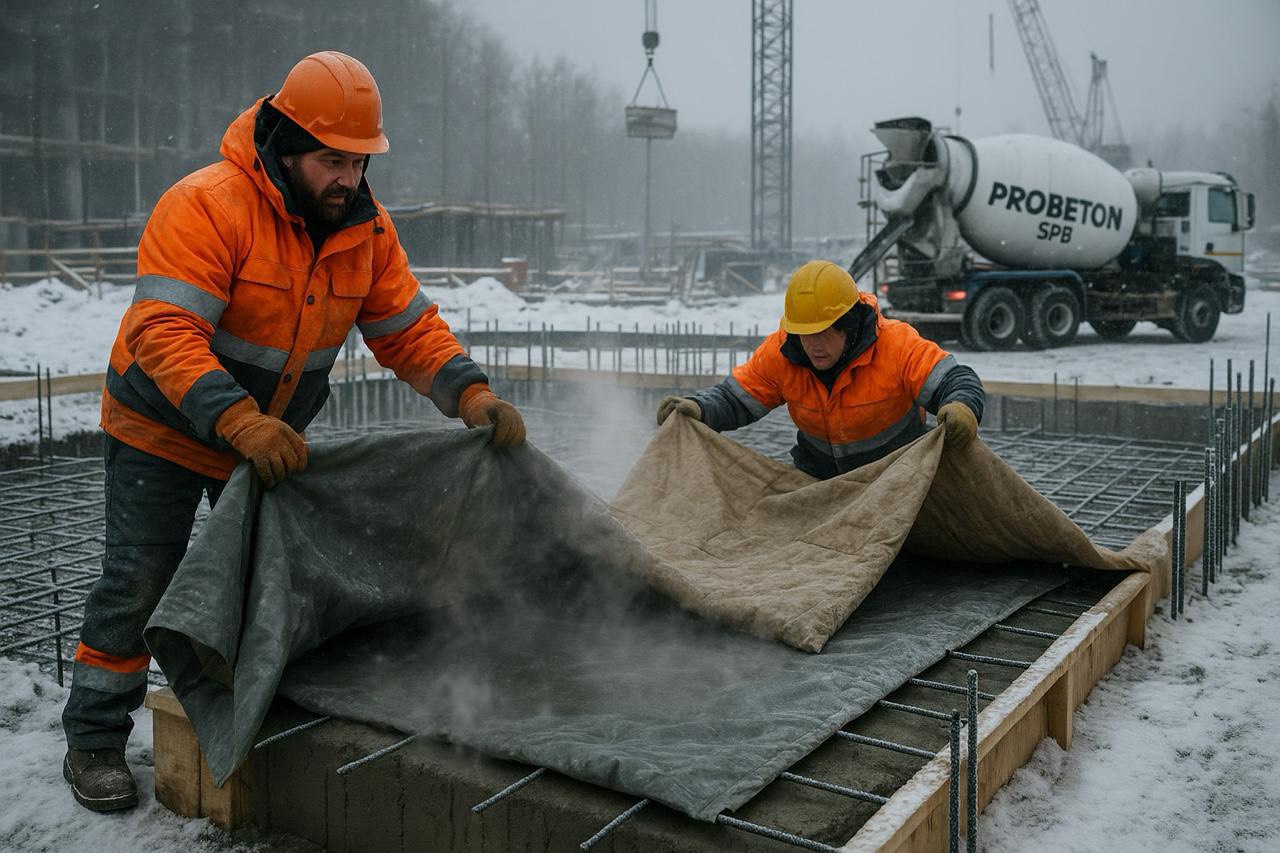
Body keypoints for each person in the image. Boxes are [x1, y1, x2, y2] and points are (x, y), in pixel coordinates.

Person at [61, 51, 525, 812]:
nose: (346, 177)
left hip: (259, 440)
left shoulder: (364, 231)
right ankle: (94, 737)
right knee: (141, 577)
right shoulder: (209, 204)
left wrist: (469, 393)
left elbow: (408, 330)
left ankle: (241, 704)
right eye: (330, 160)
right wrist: (238, 417)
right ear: (284, 145)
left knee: (260, 579)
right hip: (164, 428)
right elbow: (165, 330)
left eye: (357, 161)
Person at [656, 260, 983, 478]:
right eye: (805, 333)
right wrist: (699, 408)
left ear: (848, 324)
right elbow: (736, 398)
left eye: (824, 331)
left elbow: (956, 380)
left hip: (897, 481)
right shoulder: (783, 352)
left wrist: (961, 407)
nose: (813, 344)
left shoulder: (896, 345)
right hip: (819, 483)